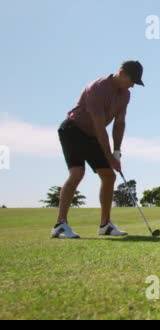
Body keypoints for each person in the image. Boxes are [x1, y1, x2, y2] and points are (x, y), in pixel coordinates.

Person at [51, 61, 144, 239]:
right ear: (122, 73)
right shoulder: (98, 88)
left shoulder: (125, 95)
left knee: (109, 175)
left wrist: (116, 153)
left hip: (93, 136)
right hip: (73, 130)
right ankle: (60, 225)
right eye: (132, 80)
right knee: (77, 173)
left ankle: (105, 225)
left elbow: (119, 123)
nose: (133, 85)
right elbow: (100, 127)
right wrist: (109, 156)